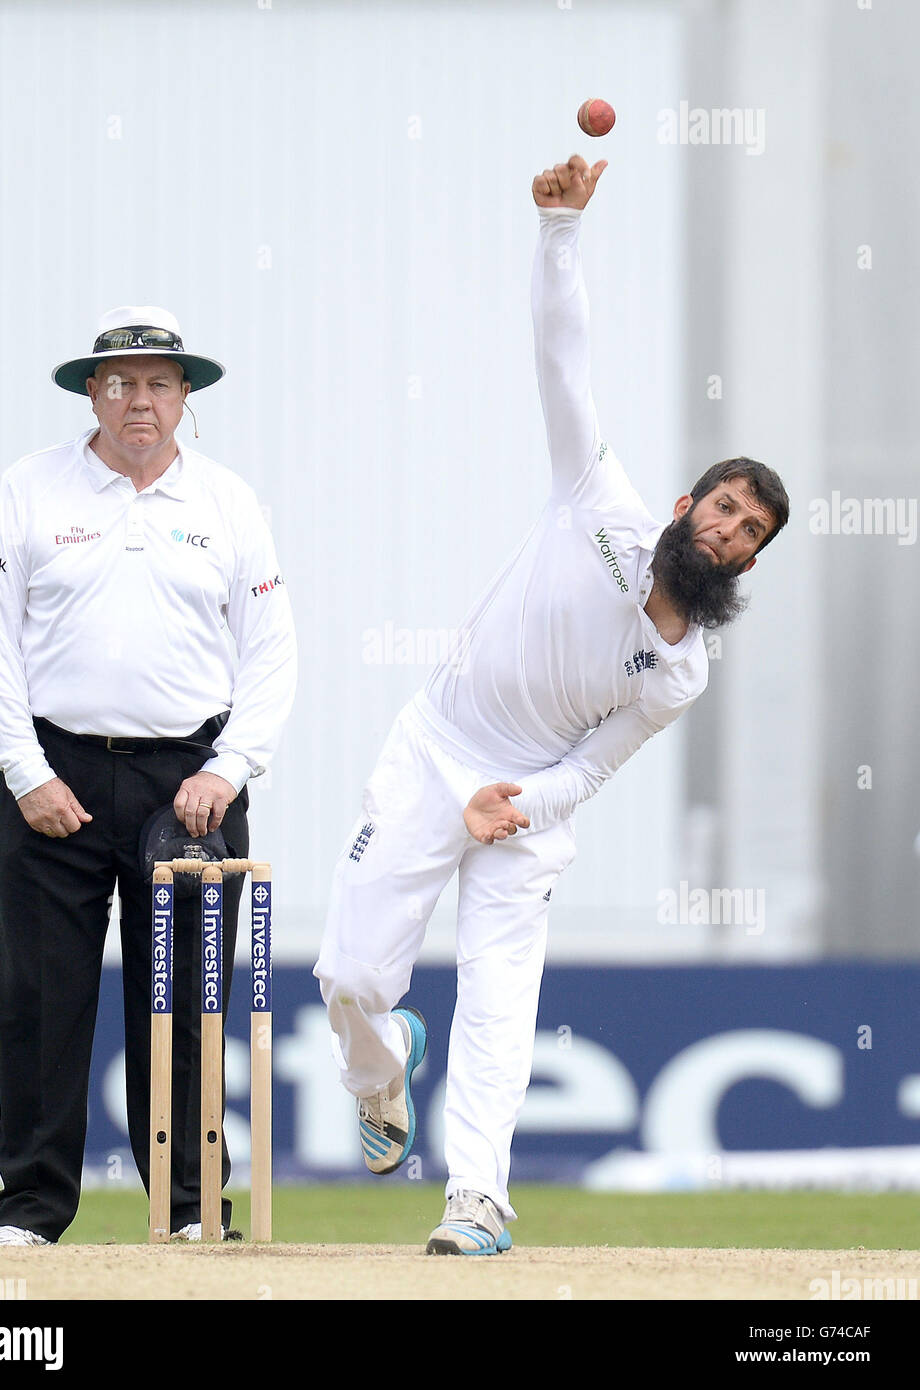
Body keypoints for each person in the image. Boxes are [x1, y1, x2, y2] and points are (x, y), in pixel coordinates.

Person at [314, 156, 790, 1255]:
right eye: (722, 508)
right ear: (685, 504)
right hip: (435, 745)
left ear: (752, 560)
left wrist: (517, 807)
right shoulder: (600, 498)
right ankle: (380, 1075)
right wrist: (559, 230)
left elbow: (589, 771)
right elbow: (561, 357)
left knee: (500, 996)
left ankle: (477, 1197)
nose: (726, 532)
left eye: (749, 532)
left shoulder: (682, 671)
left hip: (528, 810)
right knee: (349, 978)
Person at [0, 307, 297, 1245]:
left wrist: (229, 769)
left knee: (192, 1006)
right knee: (42, 1000)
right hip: (52, 771)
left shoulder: (228, 502)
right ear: (90, 392)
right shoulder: (30, 488)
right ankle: (30, 1211)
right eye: (119, 382)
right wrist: (25, 772)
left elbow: (272, 652)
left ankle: (190, 1211)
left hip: (190, 781)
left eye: (158, 383)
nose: (138, 401)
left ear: (187, 397)